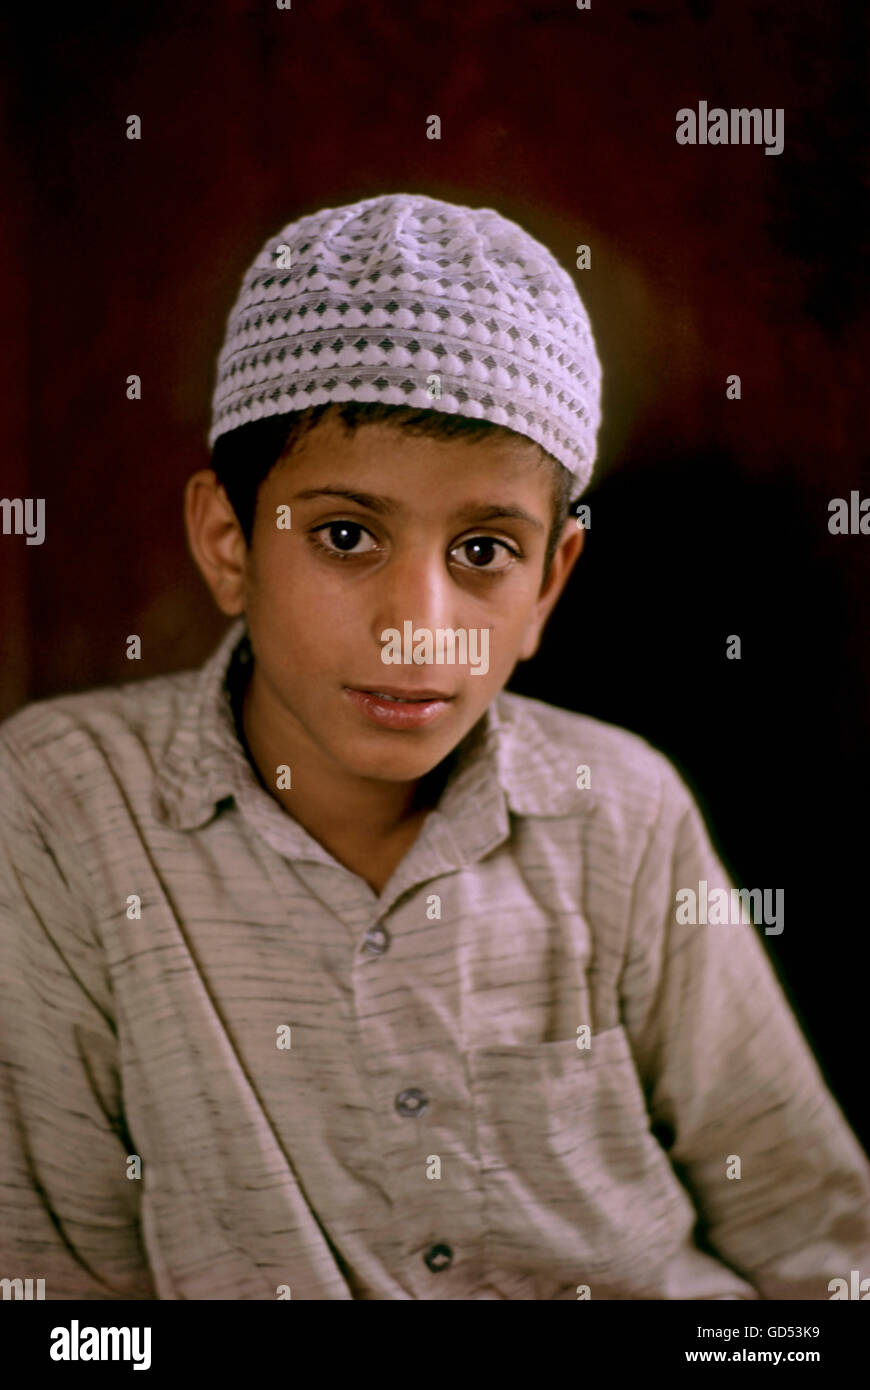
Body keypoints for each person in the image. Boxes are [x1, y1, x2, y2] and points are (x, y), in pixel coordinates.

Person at [1, 192, 868, 1300]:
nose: (418, 623)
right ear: (229, 544)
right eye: (346, 536)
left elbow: (820, 1248)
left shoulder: (624, 814)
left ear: (551, 581)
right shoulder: (68, 805)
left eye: (483, 549)